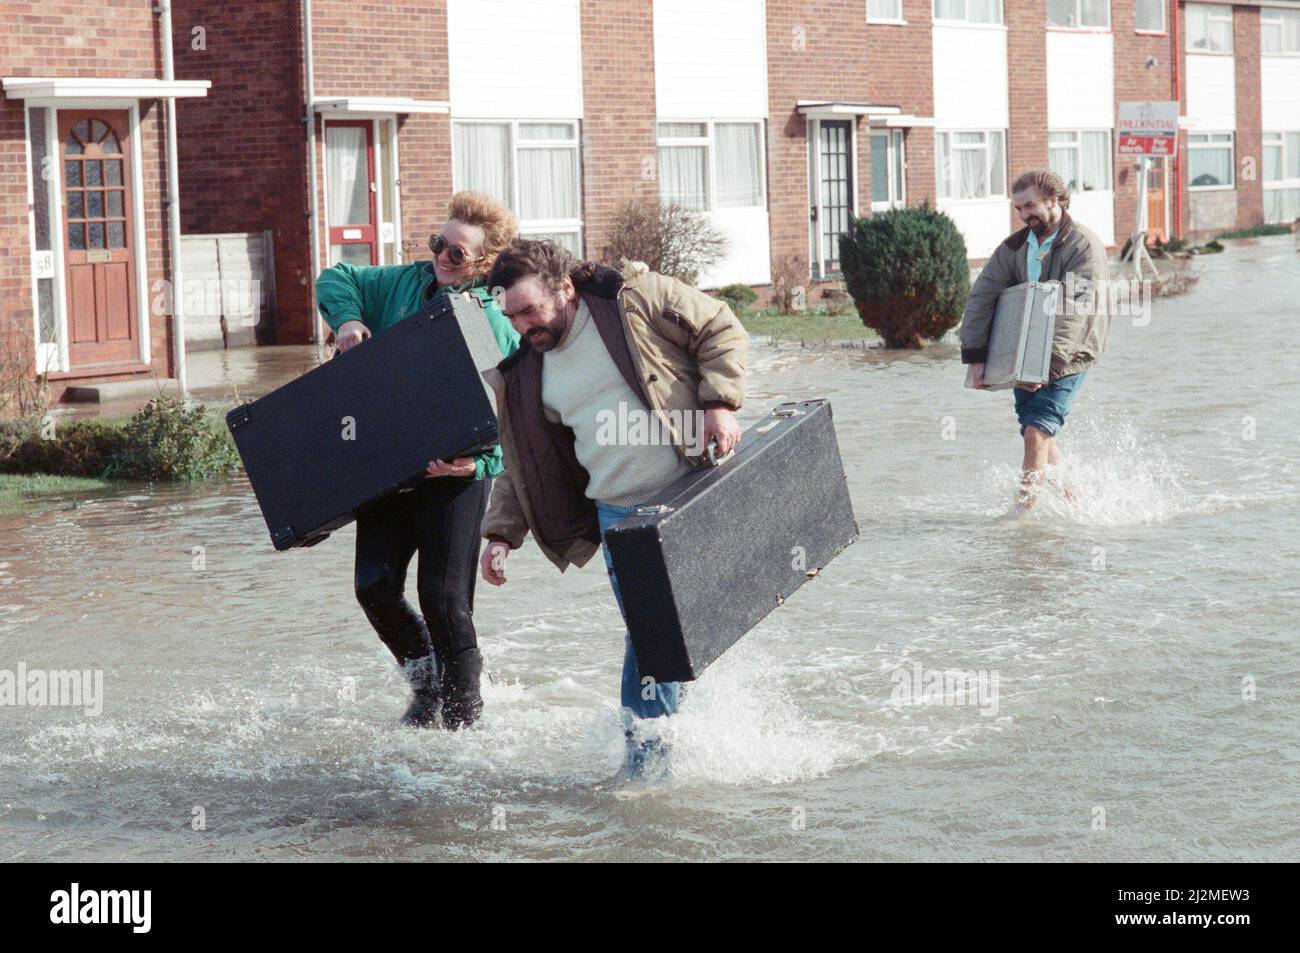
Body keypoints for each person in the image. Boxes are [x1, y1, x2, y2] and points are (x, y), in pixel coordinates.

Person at [475, 240, 747, 767]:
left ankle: (651, 764)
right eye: (512, 316)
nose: (523, 327)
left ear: (566, 288)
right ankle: (661, 757)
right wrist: (500, 533)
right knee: (654, 639)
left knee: (663, 638)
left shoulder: (634, 300)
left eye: (531, 310)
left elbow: (719, 327)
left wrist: (718, 403)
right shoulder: (527, 373)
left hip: (687, 492)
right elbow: (524, 462)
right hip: (620, 519)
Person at [315, 191, 520, 728]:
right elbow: (336, 277)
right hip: (390, 468)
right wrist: (348, 321)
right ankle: (427, 686)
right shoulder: (404, 282)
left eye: (456, 253)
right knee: (374, 587)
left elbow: (512, 420)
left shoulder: (492, 322)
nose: (441, 258)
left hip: (456, 478)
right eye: (438, 244)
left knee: (442, 596)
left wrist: (476, 466)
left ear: (482, 265)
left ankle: (464, 711)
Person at [960, 169, 1110, 507]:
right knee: (1038, 433)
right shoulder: (1013, 248)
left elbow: (1076, 307)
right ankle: (1080, 501)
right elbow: (982, 298)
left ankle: (1021, 514)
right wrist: (976, 357)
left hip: (1069, 356)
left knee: (1036, 432)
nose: (1025, 215)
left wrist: (1045, 367)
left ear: (1054, 199)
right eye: (1019, 209)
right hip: (1023, 352)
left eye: (1030, 206)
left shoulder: (1083, 244)